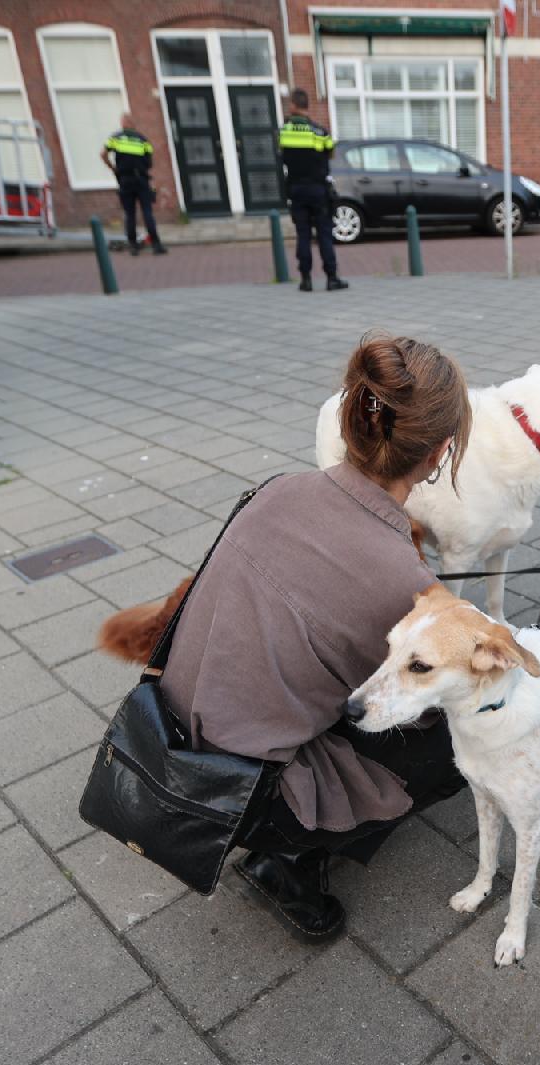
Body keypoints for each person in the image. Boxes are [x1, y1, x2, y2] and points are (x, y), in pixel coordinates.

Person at [159, 334, 473, 940]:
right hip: (238, 790)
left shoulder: (278, 488)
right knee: (461, 727)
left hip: (171, 728)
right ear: (437, 454)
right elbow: (420, 705)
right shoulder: (398, 578)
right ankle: (289, 856)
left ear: (355, 416)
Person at [279, 89, 346, 292]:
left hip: (296, 189)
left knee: (303, 235)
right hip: (318, 190)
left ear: (293, 105)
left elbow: (282, 156)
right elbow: (331, 153)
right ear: (307, 105)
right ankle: (332, 278)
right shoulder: (320, 132)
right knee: (325, 234)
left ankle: (306, 279)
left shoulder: (284, 132)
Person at [101, 113, 166, 256]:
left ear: (123, 123)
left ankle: (133, 246)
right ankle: (156, 245)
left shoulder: (115, 138)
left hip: (125, 179)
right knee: (147, 212)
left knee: (130, 213)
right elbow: (149, 163)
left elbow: (103, 154)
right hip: (141, 179)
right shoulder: (143, 140)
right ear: (133, 124)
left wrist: (113, 168)